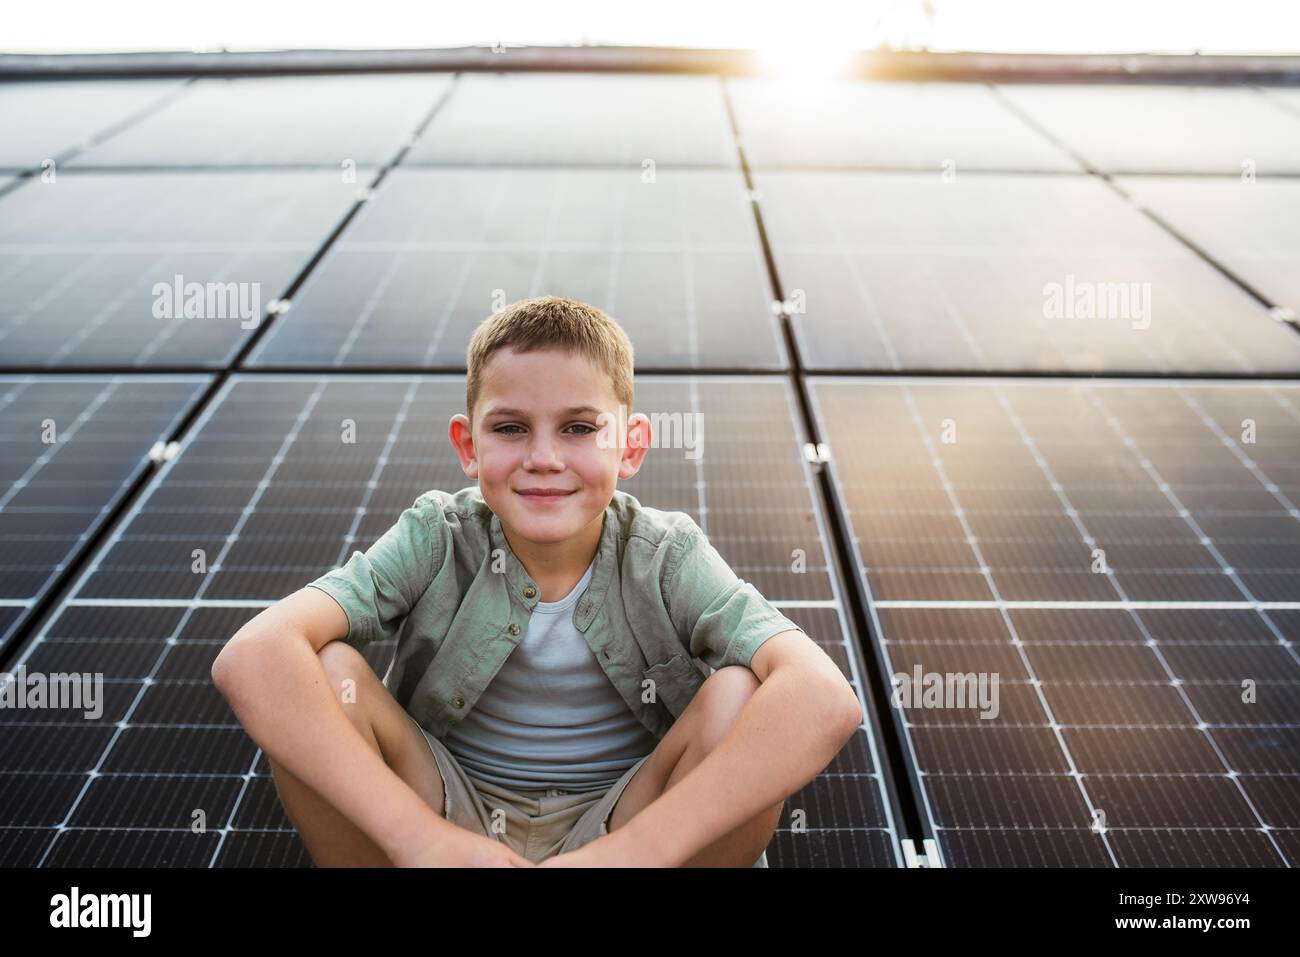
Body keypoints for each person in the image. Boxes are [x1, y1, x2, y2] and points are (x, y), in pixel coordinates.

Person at [212, 295, 861, 867]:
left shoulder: (665, 555)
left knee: (741, 695)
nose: (543, 457)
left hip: (625, 825)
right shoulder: (438, 534)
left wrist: (631, 853)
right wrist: (419, 839)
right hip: (445, 815)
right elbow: (253, 655)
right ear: (468, 446)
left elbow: (823, 698)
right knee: (327, 673)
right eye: (511, 427)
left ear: (630, 446)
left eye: (579, 427)